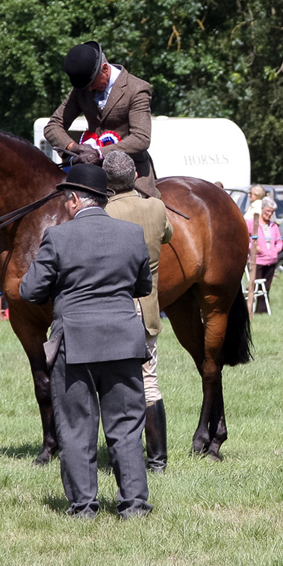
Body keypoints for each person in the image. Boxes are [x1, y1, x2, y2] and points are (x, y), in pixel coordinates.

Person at [19, 164, 153, 518]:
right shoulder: (132, 234)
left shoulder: (58, 237)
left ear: (75, 199)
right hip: (124, 340)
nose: (65, 206)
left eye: (66, 200)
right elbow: (143, 288)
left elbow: (30, 291)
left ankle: (84, 507)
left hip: (75, 342)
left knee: (77, 428)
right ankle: (135, 506)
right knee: (126, 427)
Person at [104, 152, 174, 473]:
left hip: (113, 310)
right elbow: (169, 235)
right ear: (134, 175)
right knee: (149, 383)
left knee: (111, 385)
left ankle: (120, 456)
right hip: (147, 309)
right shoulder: (157, 207)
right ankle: (157, 460)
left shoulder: (104, 211)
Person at [45, 40, 160, 197]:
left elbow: (141, 138)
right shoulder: (82, 89)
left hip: (129, 173)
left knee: (141, 215)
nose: (90, 89)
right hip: (91, 173)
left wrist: (99, 152)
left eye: (92, 84)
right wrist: (74, 147)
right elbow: (53, 126)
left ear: (105, 69)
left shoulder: (137, 89)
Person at [245, 195, 283, 315]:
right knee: (255, 287)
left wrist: (276, 249)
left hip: (271, 260)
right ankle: (250, 308)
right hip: (257, 261)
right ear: (262, 209)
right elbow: (245, 239)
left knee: (266, 287)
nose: (269, 214)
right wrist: (253, 247)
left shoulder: (273, 226)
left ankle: (262, 310)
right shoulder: (251, 223)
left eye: (272, 212)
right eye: (267, 211)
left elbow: (279, 241)